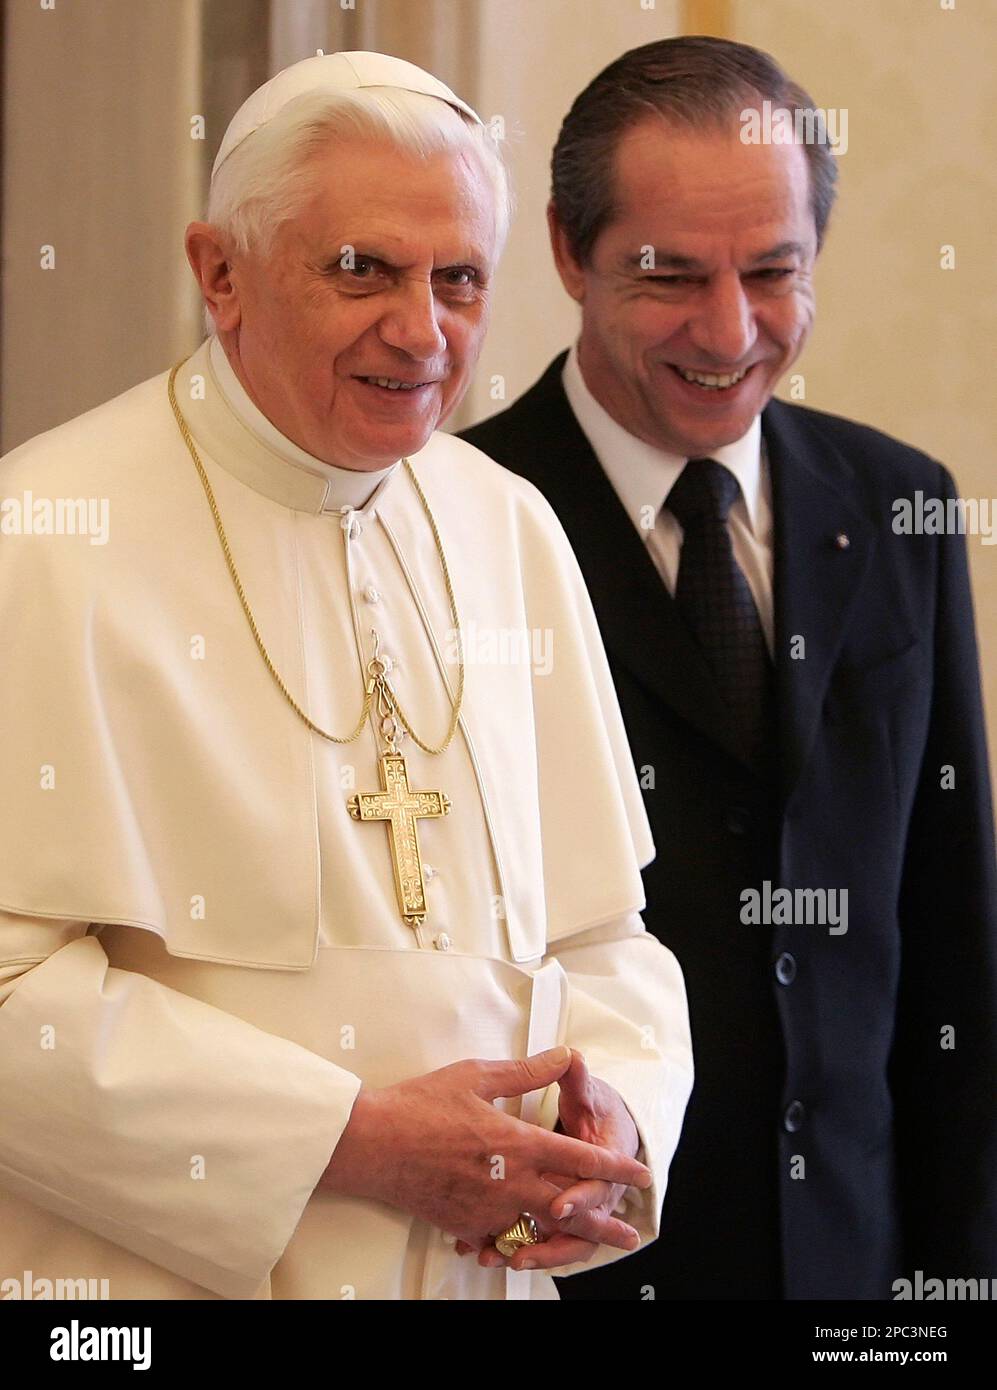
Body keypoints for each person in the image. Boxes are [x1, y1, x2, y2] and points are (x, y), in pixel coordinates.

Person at [0, 51, 693, 1302]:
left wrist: (615, 1125)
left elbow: (606, 937)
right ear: (221, 274)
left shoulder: (512, 526)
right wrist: (352, 1141)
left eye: (459, 280)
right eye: (361, 269)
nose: (421, 332)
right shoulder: (43, 531)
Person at [461, 35, 997, 1299]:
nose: (729, 330)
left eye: (772, 272)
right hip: (574, 1263)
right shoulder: (459, 519)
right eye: (670, 276)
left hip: (854, 1269)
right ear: (565, 251)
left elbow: (949, 930)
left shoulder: (898, 500)